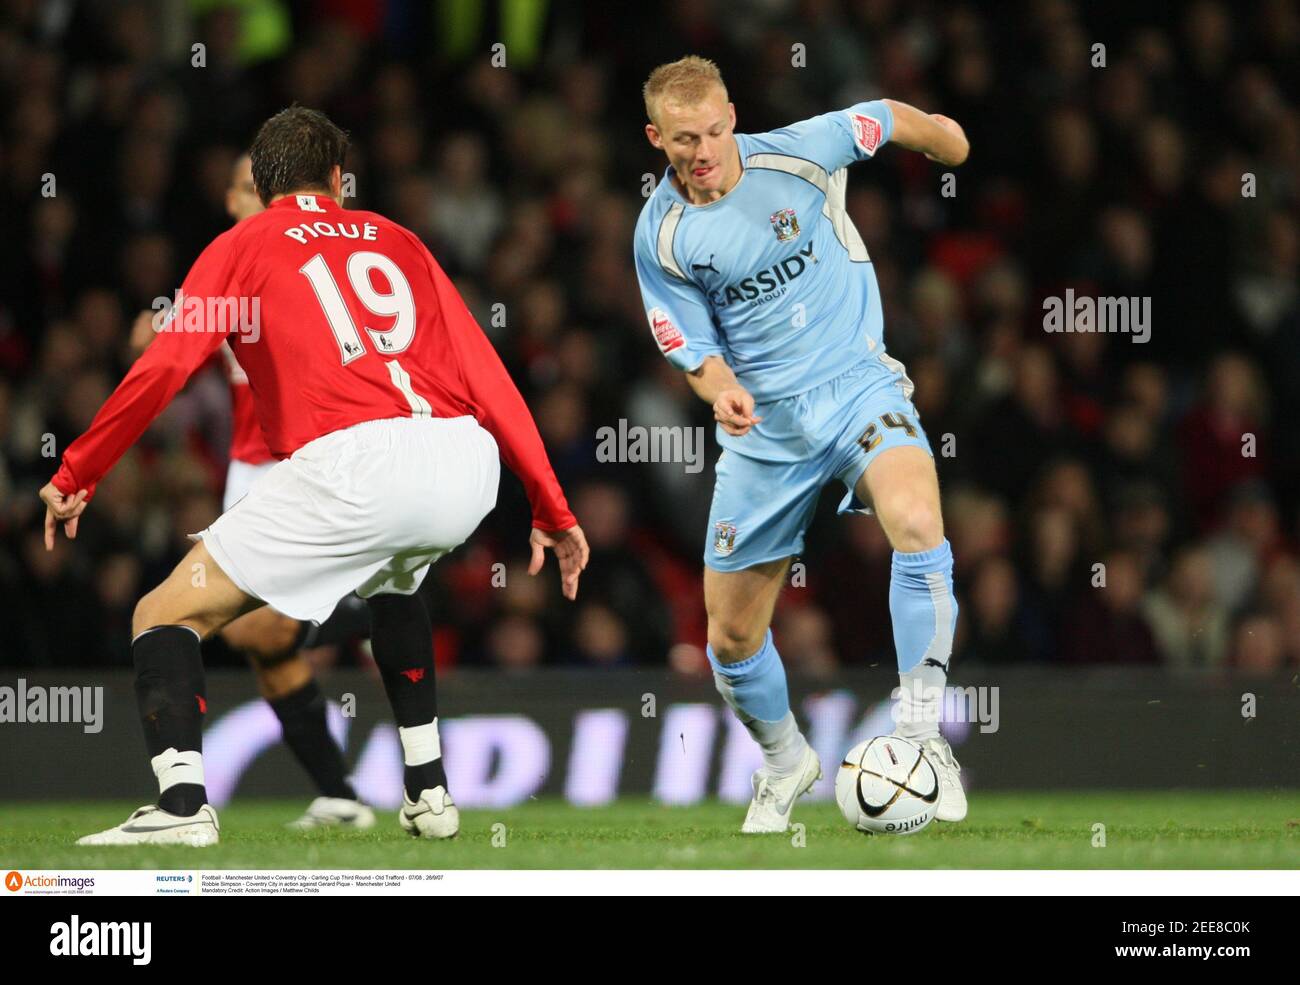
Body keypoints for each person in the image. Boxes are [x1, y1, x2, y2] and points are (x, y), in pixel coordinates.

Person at [41, 107, 588, 846]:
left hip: (357, 463)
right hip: (464, 458)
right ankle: (429, 792)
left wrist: (80, 468)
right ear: (338, 180)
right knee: (394, 584)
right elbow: (490, 380)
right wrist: (552, 507)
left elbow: (166, 363)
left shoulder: (244, 244)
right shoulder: (401, 240)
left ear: (261, 185)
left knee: (164, 614)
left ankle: (180, 808)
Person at [633, 57, 968, 833]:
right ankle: (786, 759)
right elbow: (690, 345)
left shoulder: (798, 151)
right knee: (730, 635)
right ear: (658, 138)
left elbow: (880, 115)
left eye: (717, 129)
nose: (706, 149)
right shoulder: (662, 236)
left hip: (858, 386)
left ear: (732, 116)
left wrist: (943, 140)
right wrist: (722, 390)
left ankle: (920, 737)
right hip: (769, 429)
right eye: (686, 138)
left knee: (918, 522)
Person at [127, 152, 375, 831]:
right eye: (241, 187)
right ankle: (341, 796)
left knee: (229, 620)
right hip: (249, 470)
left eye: (256, 186)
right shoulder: (227, 265)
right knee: (264, 642)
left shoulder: (294, 262)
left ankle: (376, 609)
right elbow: (155, 339)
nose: (251, 197)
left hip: (300, 465)